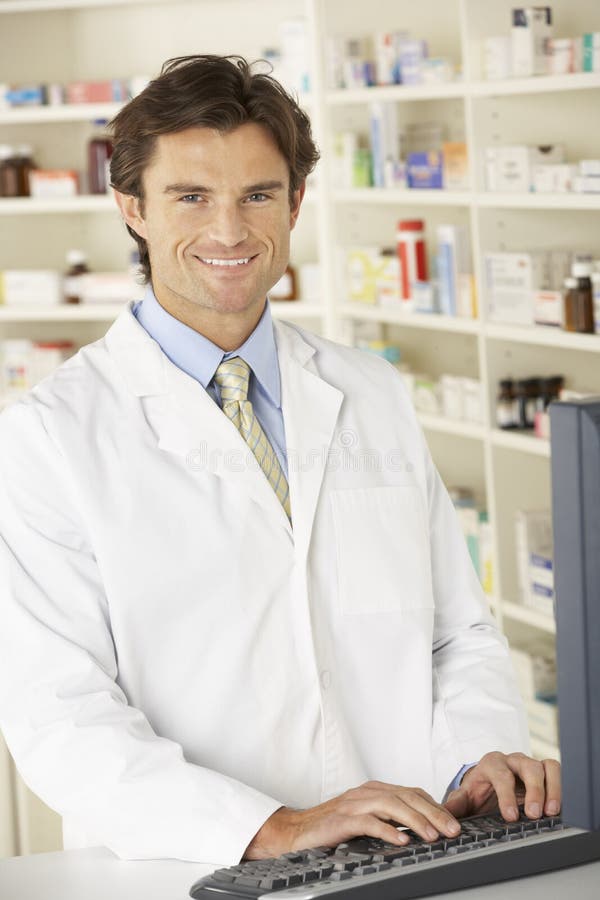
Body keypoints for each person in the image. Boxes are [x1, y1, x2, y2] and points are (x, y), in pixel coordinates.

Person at [0, 55, 560, 867]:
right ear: (132, 209)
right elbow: (59, 715)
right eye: (191, 197)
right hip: (192, 870)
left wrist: (479, 756)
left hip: (403, 856)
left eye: (258, 194)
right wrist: (273, 828)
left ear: (296, 202)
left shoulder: (370, 392)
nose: (230, 230)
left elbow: (456, 631)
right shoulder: (49, 436)